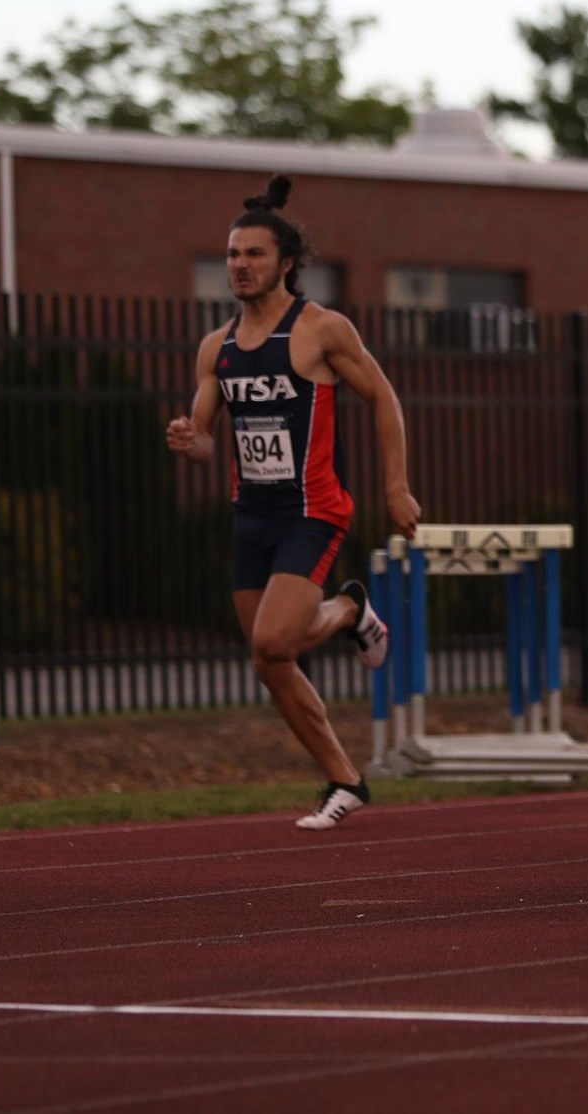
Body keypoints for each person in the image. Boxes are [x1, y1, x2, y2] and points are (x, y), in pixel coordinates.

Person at [166, 174, 421, 831]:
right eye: (231, 255)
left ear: (286, 263)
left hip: (314, 510)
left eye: (253, 254)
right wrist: (188, 439)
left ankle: (346, 609)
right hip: (252, 516)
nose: (239, 266)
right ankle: (345, 779)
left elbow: (384, 398)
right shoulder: (214, 349)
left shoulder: (320, 331)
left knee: (275, 637)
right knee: (268, 657)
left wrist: (396, 487)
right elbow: (202, 443)